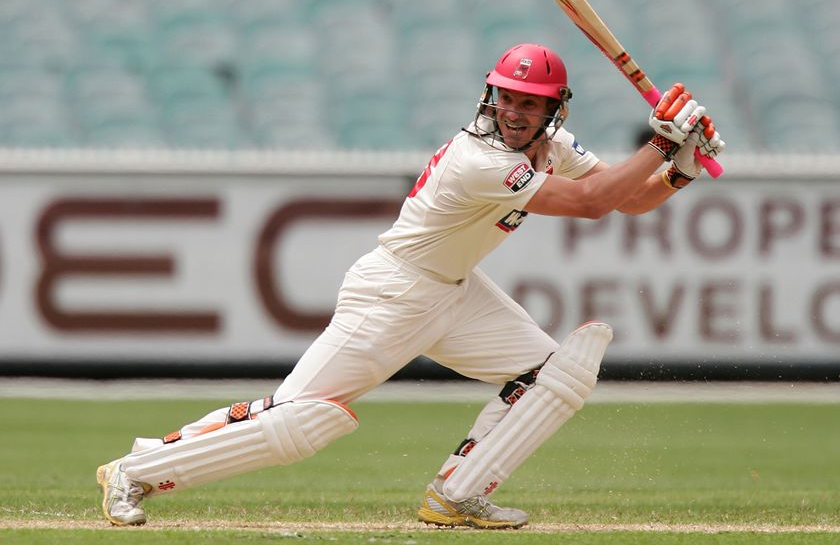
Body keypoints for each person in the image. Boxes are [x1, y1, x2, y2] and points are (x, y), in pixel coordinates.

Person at [97, 43, 724, 530]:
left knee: (553, 376)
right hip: (394, 292)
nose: (514, 111)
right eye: (507, 97)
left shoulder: (553, 145)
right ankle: (134, 470)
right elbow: (591, 204)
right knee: (298, 426)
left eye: (530, 103)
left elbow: (625, 200)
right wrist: (663, 140)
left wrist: (680, 167)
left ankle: (457, 494)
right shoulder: (477, 159)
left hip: (455, 291)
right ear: (489, 96)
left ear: (552, 110)